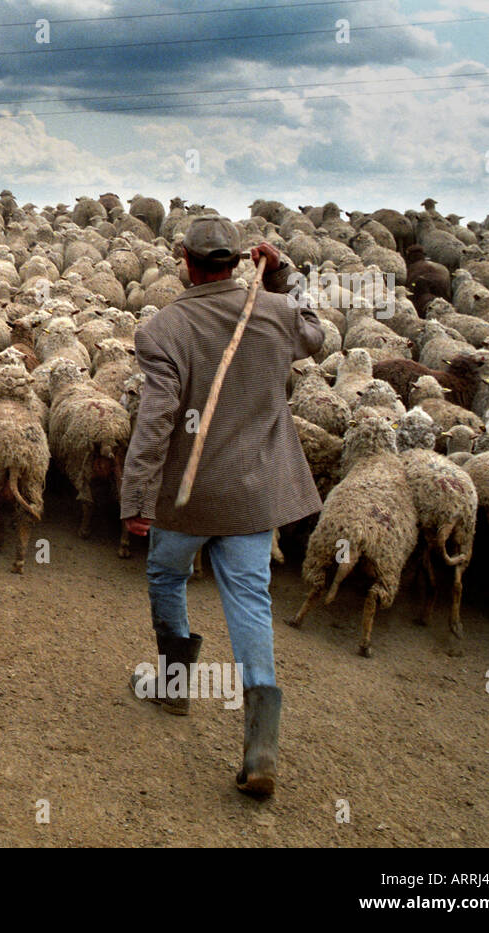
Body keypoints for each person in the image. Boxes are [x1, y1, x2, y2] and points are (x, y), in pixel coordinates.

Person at [120, 216, 324, 796]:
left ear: (185, 259)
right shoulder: (280, 313)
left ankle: (175, 684)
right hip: (254, 494)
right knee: (250, 601)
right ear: (239, 262)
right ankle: (260, 747)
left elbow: (156, 422)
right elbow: (318, 333)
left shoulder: (163, 329)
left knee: (166, 573)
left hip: (189, 497)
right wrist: (284, 277)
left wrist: (138, 498)